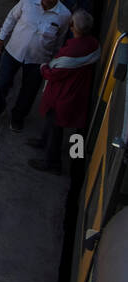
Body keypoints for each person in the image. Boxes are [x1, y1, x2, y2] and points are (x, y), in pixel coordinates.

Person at [0, 0, 72, 131]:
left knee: (29, 92)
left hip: (39, 60)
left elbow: (60, 39)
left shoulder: (64, 15)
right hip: (14, 51)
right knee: (1, 84)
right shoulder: (27, 1)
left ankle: (18, 117)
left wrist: (53, 61)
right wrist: (1, 38)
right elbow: (11, 18)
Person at [29, 10, 99, 174]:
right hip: (76, 92)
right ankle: (44, 142)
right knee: (52, 124)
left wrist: (43, 67)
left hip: (63, 96)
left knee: (55, 128)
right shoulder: (92, 44)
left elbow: (53, 73)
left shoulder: (73, 51)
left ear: (73, 26)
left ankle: (51, 162)